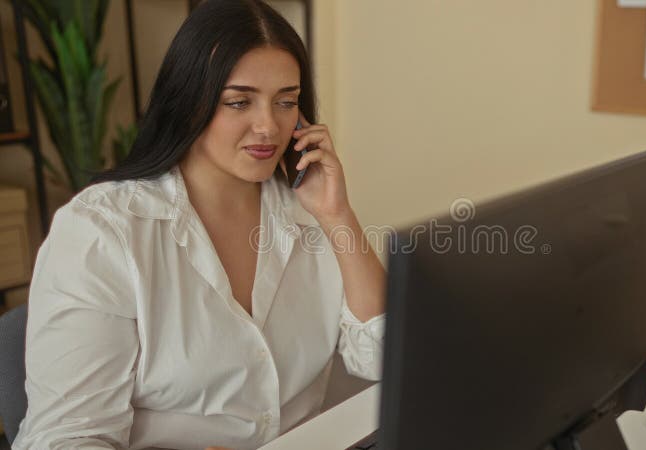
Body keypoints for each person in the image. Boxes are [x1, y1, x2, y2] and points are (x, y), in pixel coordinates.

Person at [12, 1, 386, 449]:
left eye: (286, 101)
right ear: (190, 102)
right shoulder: (102, 232)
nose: (269, 125)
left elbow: (385, 359)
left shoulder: (308, 212)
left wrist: (337, 216)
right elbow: (65, 439)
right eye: (239, 101)